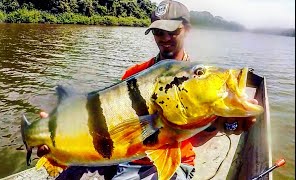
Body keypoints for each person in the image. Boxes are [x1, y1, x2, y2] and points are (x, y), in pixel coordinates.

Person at [37, 0, 258, 179]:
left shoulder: (199, 83)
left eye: (173, 31)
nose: (165, 39)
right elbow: (106, 124)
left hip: (178, 162)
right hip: (131, 162)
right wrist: (61, 134)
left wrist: (231, 123)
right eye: (158, 32)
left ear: (187, 29)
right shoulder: (134, 75)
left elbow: (209, 131)